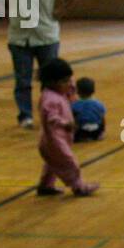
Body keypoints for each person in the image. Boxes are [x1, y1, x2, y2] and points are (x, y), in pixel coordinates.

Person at [0, 0, 81, 129]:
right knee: (22, 79)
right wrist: (3, 10)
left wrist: (61, 11)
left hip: (45, 36)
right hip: (19, 38)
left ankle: (52, 112)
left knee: (50, 79)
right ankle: (25, 115)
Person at [35, 57, 98, 197]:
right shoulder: (49, 99)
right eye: (65, 81)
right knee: (70, 162)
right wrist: (66, 124)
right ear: (52, 82)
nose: (69, 84)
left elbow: (71, 92)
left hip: (59, 139)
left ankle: (45, 186)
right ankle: (79, 187)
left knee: (52, 164)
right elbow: (51, 118)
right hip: (54, 141)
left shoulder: (60, 92)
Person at [72, 76, 106, 142]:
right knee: (101, 118)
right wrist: (102, 130)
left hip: (82, 130)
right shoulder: (98, 103)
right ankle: (99, 134)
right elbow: (102, 118)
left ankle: (83, 137)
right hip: (96, 130)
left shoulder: (75, 105)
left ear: (78, 91)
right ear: (93, 91)